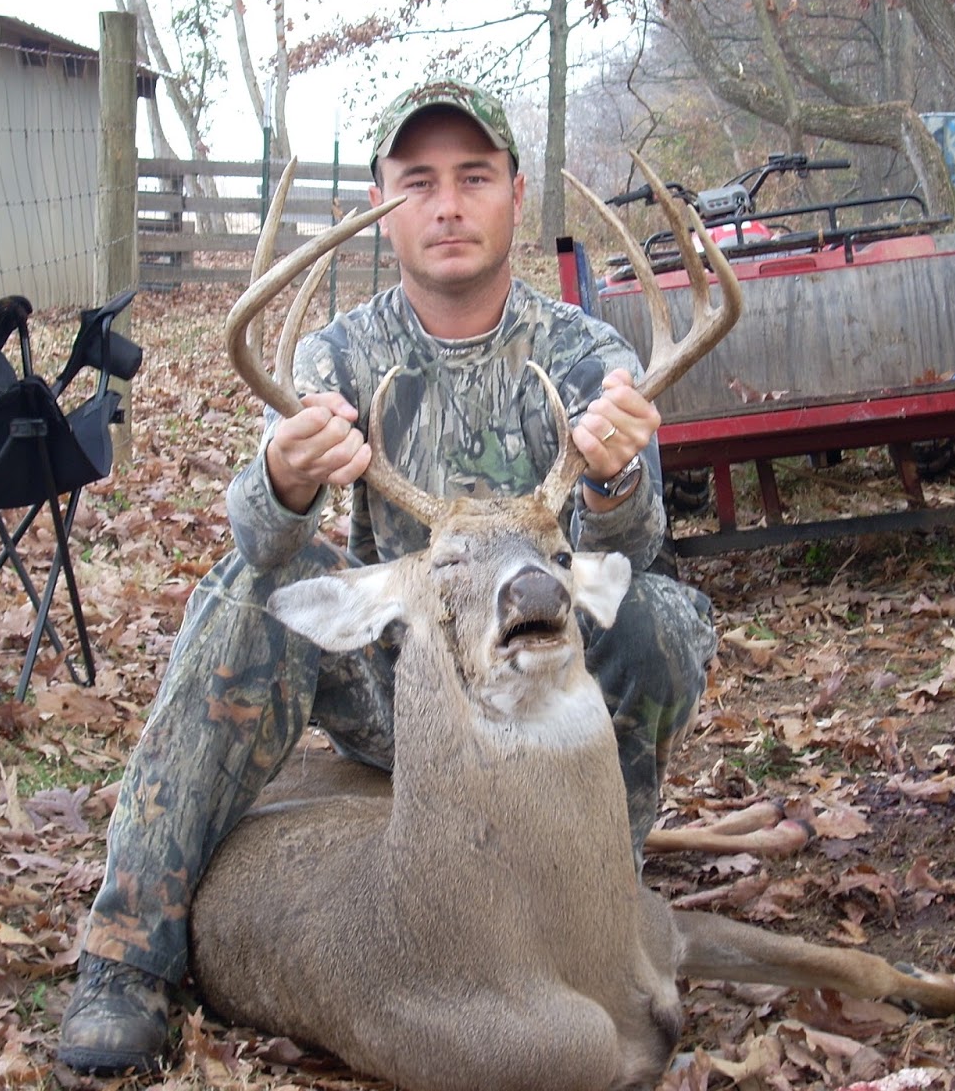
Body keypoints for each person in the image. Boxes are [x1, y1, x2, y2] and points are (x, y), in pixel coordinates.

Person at [56, 79, 719, 1074]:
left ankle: (596, 903)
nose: (447, 205)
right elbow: (261, 539)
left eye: (473, 178)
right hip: (402, 694)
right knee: (251, 588)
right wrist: (283, 477)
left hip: (541, 699)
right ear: (381, 202)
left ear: (515, 194)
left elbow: (625, 561)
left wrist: (615, 481)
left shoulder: (588, 354)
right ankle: (128, 957)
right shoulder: (336, 356)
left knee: (656, 619)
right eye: (419, 182)